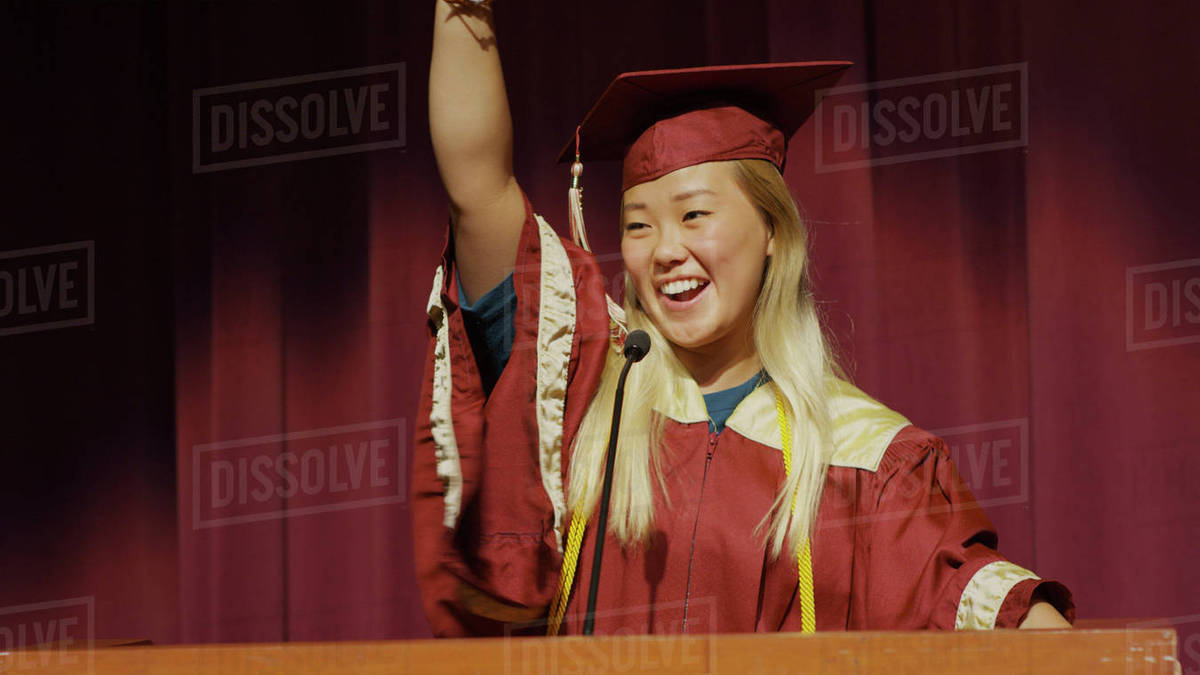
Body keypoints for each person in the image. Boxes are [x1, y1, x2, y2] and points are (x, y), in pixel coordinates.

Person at [413, 0, 1075, 637]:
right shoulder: (582, 397)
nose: (666, 249)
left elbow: (985, 607)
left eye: (694, 214)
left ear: (772, 234)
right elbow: (478, 189)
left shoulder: (864, 458)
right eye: (639, 225)